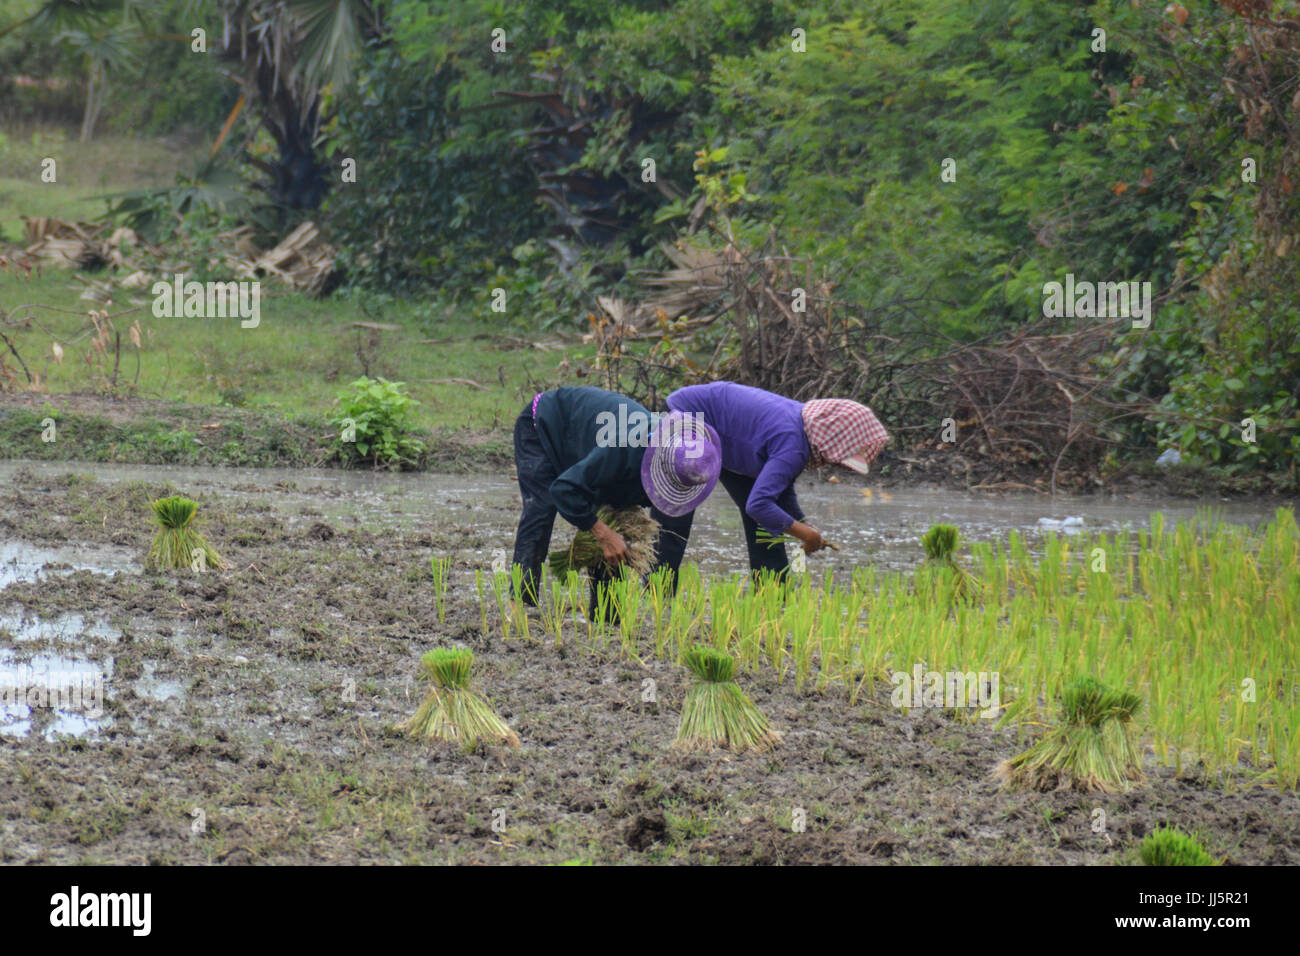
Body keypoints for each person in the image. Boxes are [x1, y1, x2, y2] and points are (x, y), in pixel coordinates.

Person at [511, 385, 722, 619]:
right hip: (544, 423)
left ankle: (606, 617)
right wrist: (603, 533)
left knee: (611, 519)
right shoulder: (622, 451)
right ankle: (520, 603)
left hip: (588, 441)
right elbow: (564, 490)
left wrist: (613, 533)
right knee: (541, 508)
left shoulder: (684, 460)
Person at [664, 381, 889, 579]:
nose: (837, 465)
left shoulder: (802, 431)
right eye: (841, 460)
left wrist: (801, 522)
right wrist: (807, 534)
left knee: (767, 519)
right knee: (676, 511)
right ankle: (657, 592)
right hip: (689, 416)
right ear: (834, 439)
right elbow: (758, 504)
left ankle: (773, 593)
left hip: (728, 437)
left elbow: (780, 491)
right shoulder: (793, 444)